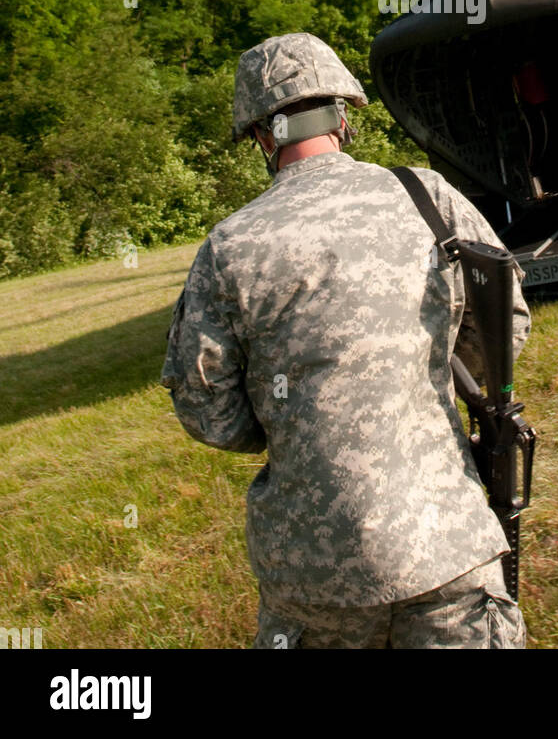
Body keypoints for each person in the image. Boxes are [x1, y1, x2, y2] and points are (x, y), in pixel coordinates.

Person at [160, 32, 531, 649]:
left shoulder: (229, 245)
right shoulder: (428, 199)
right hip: (449, 546)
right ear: (343, 114)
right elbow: (504, 325)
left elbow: (208, 411)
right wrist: (427, 373)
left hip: (312, 579)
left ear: (260, 135)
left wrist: (293, 423)